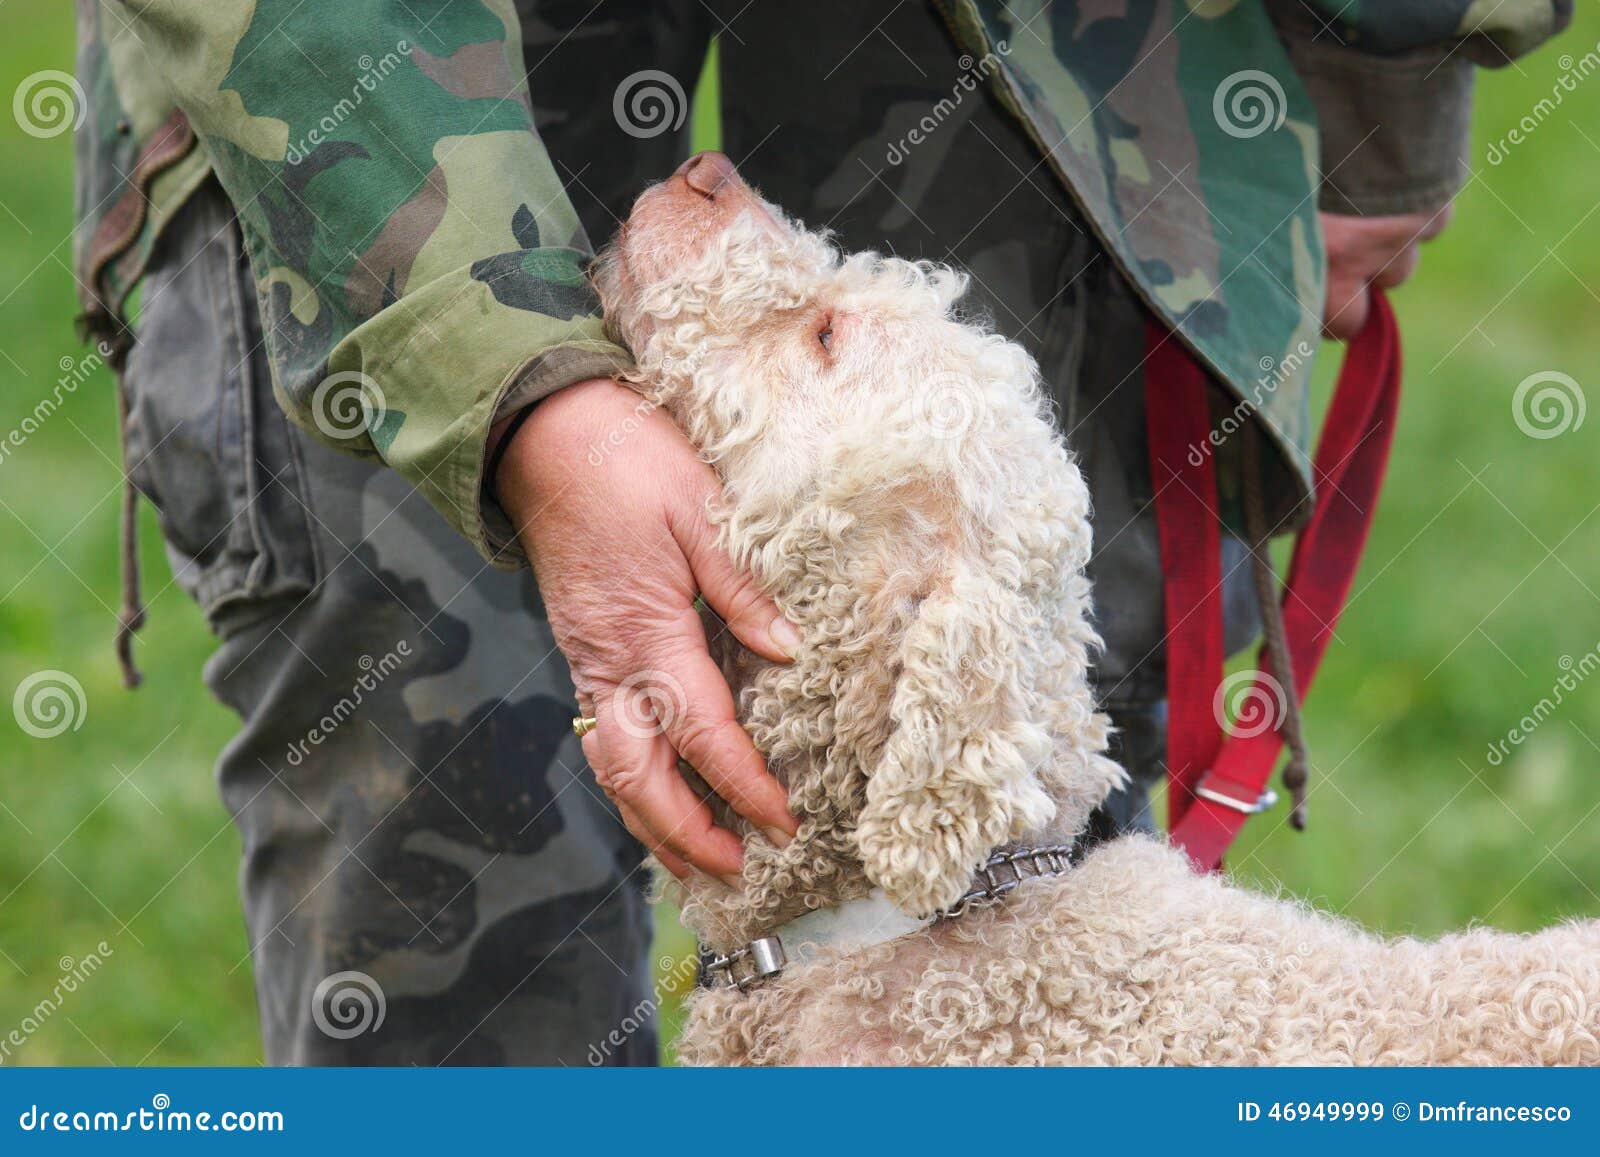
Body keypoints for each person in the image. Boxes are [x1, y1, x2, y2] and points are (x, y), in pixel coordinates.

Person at [72, 1, 1570, 1064]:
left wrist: (1382, 70)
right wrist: (507, 390)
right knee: (437, 786)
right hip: (373, 42)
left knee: (1010, 828)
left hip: (1027, 33)